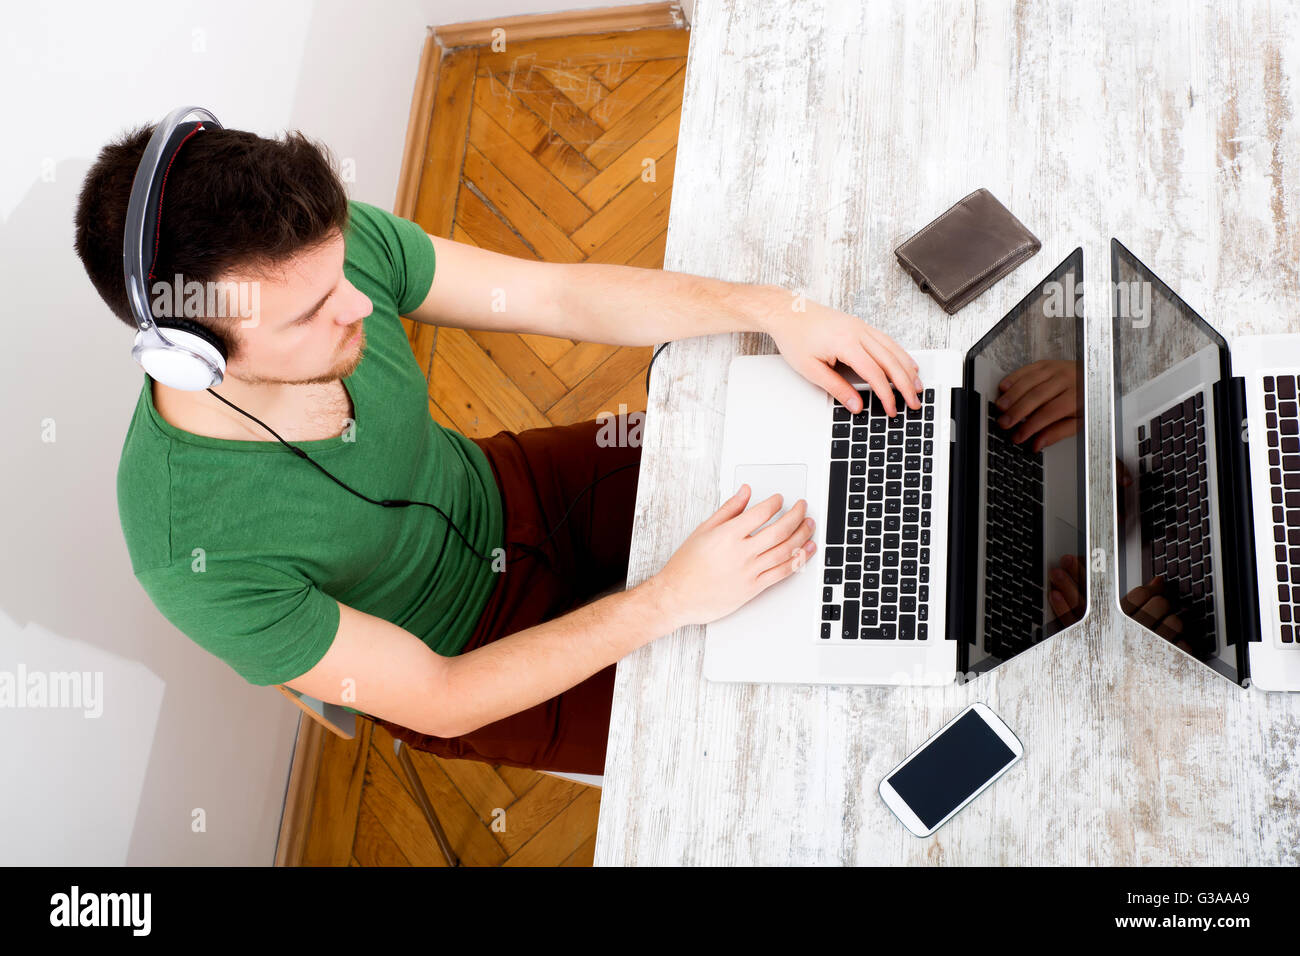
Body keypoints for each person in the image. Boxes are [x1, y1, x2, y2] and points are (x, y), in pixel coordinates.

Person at [73, 121, 924, 774]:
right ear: (193, 356)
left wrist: (775, 308)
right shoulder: (191, 548)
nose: (359, 306)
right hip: (474, 656)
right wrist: (666, 601)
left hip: (515, 486)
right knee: (790, 737)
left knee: (839, 472)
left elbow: (555, 296)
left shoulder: (320, 261)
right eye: (311, 315)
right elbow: (442, 701)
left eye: (340, 278)